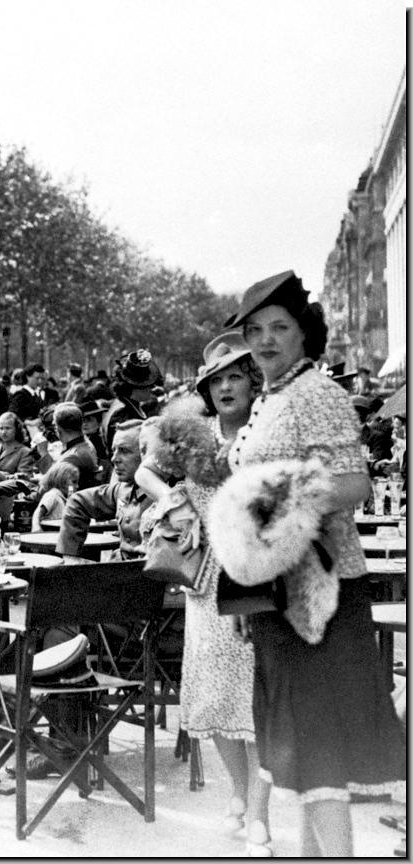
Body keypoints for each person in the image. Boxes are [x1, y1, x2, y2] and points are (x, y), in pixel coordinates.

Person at [214, 271, 404, 856]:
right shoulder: (273, 395)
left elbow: (353, 483)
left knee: (317, 757)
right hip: (278, 594)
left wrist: (275, 502)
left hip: (321, 594)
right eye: (256, 330)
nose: (267, 340)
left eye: (280, 327)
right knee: (297, 757)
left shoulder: (316, 392)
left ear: (304, 333)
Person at [133, 331, 271, 855]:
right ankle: (240, 793)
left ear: (254, 382)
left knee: (256, 705)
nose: (227, 387)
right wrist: (177, 499)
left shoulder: (266, 434)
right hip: (202, 585)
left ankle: (259, 817)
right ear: (207, 390)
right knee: (213, 700)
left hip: (253, 574)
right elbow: (145, 467)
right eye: (218, 380)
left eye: (237, 376)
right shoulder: (194, 434)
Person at [55, 420, 148, 561]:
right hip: (120, 571)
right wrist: (71, 557)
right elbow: (77, 502)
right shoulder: (123, 489)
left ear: (147, 454)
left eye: (124, 451)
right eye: (113, 450)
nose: (114, 458)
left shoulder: (169, 494)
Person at [103, 348, 162, 452]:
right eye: (147, 386)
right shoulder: (122, 413)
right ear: (135, 388)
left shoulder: (128, 405)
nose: (151, 389)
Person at [30, 461, 79, 530]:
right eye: (74, 482)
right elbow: (38, 513)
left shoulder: (64, 498)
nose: (77, 486)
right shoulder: (53, 495)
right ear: (61, 480)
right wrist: (36, 526)